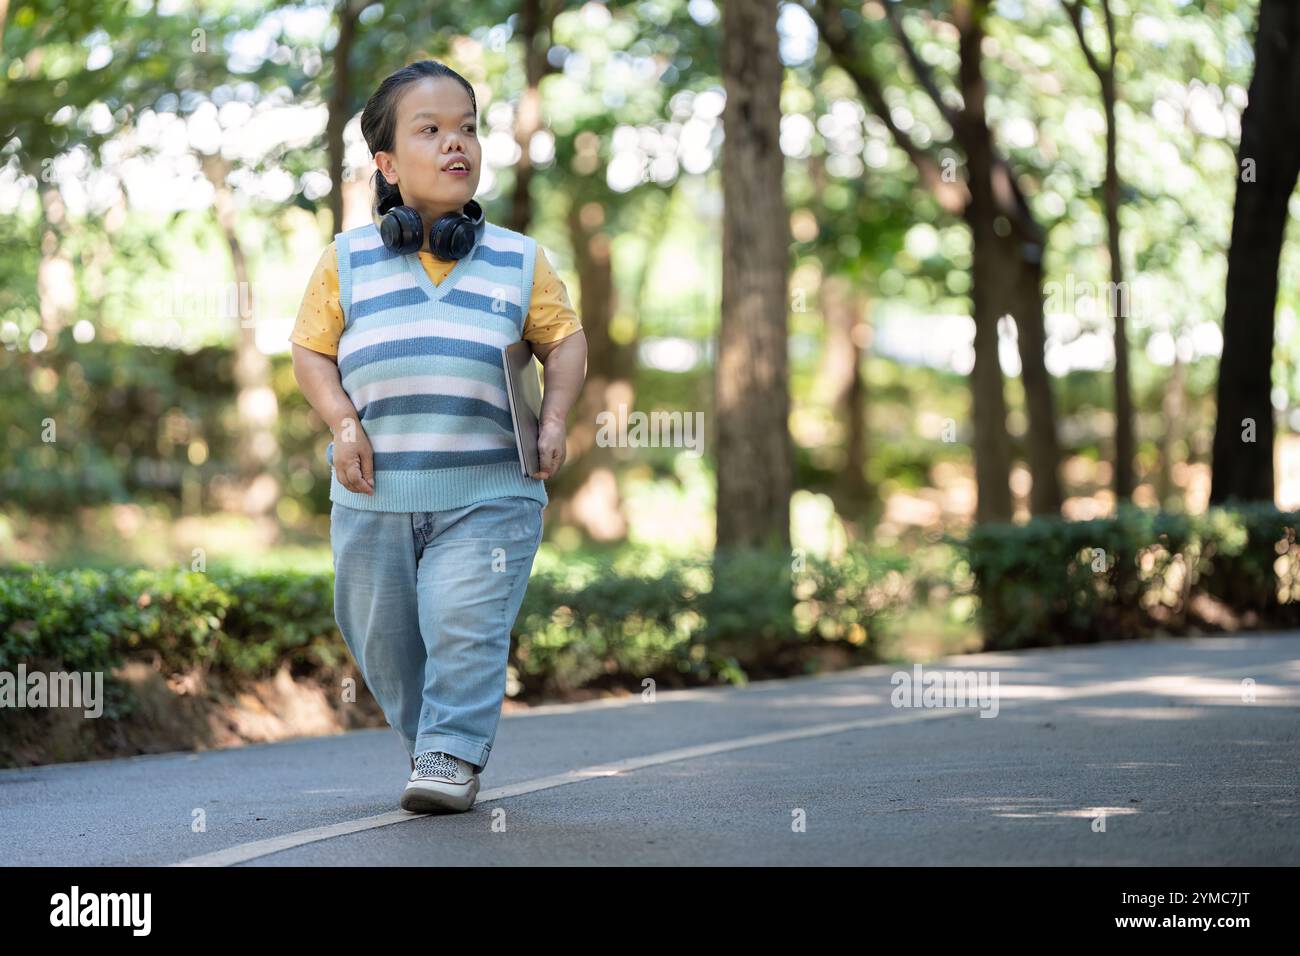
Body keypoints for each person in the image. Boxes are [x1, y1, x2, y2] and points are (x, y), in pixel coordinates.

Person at [289, 60, 588, 814]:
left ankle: (452, 753)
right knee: (384, 644)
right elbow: (311, 349)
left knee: (463, 620)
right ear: (387, 163)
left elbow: (566, 341)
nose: (457, 144)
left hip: (491, 491)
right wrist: (342, 424)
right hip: (373, 495)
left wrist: (554, 421)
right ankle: (434, 745)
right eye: (430, 130)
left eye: (468, 128)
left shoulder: (522, 260)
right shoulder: (346, 260)